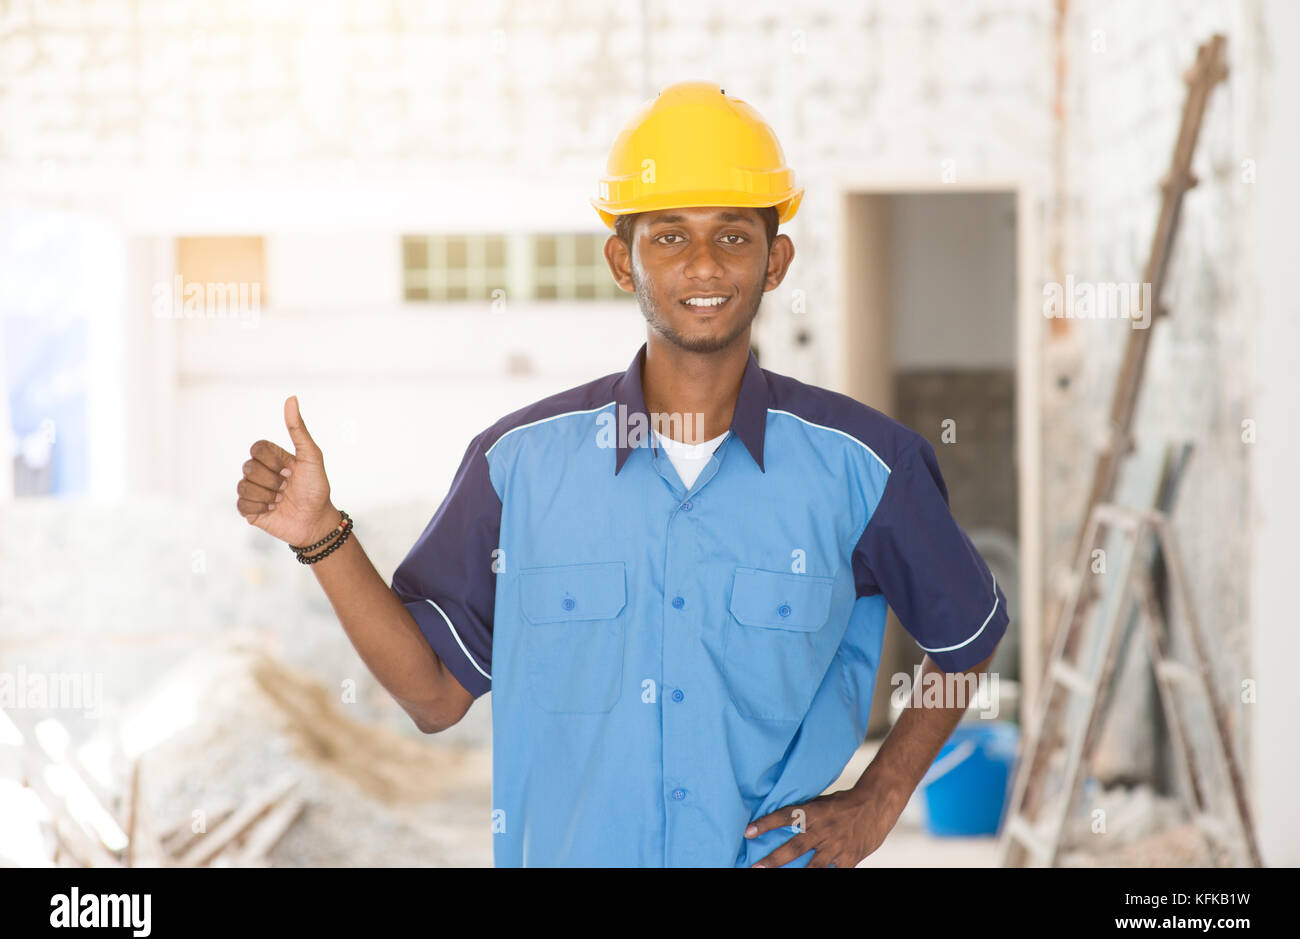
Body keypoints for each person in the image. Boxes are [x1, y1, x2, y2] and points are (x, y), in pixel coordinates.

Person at [236, 81, 1010, 867]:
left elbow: (969, 636)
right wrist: (322, 536)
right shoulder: (517, 467)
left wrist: (881, 798)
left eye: (734, 236)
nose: (703, 263)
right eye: (669, 236)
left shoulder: (867, 466)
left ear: (776, 261)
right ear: (621, 258)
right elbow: (433, 694)